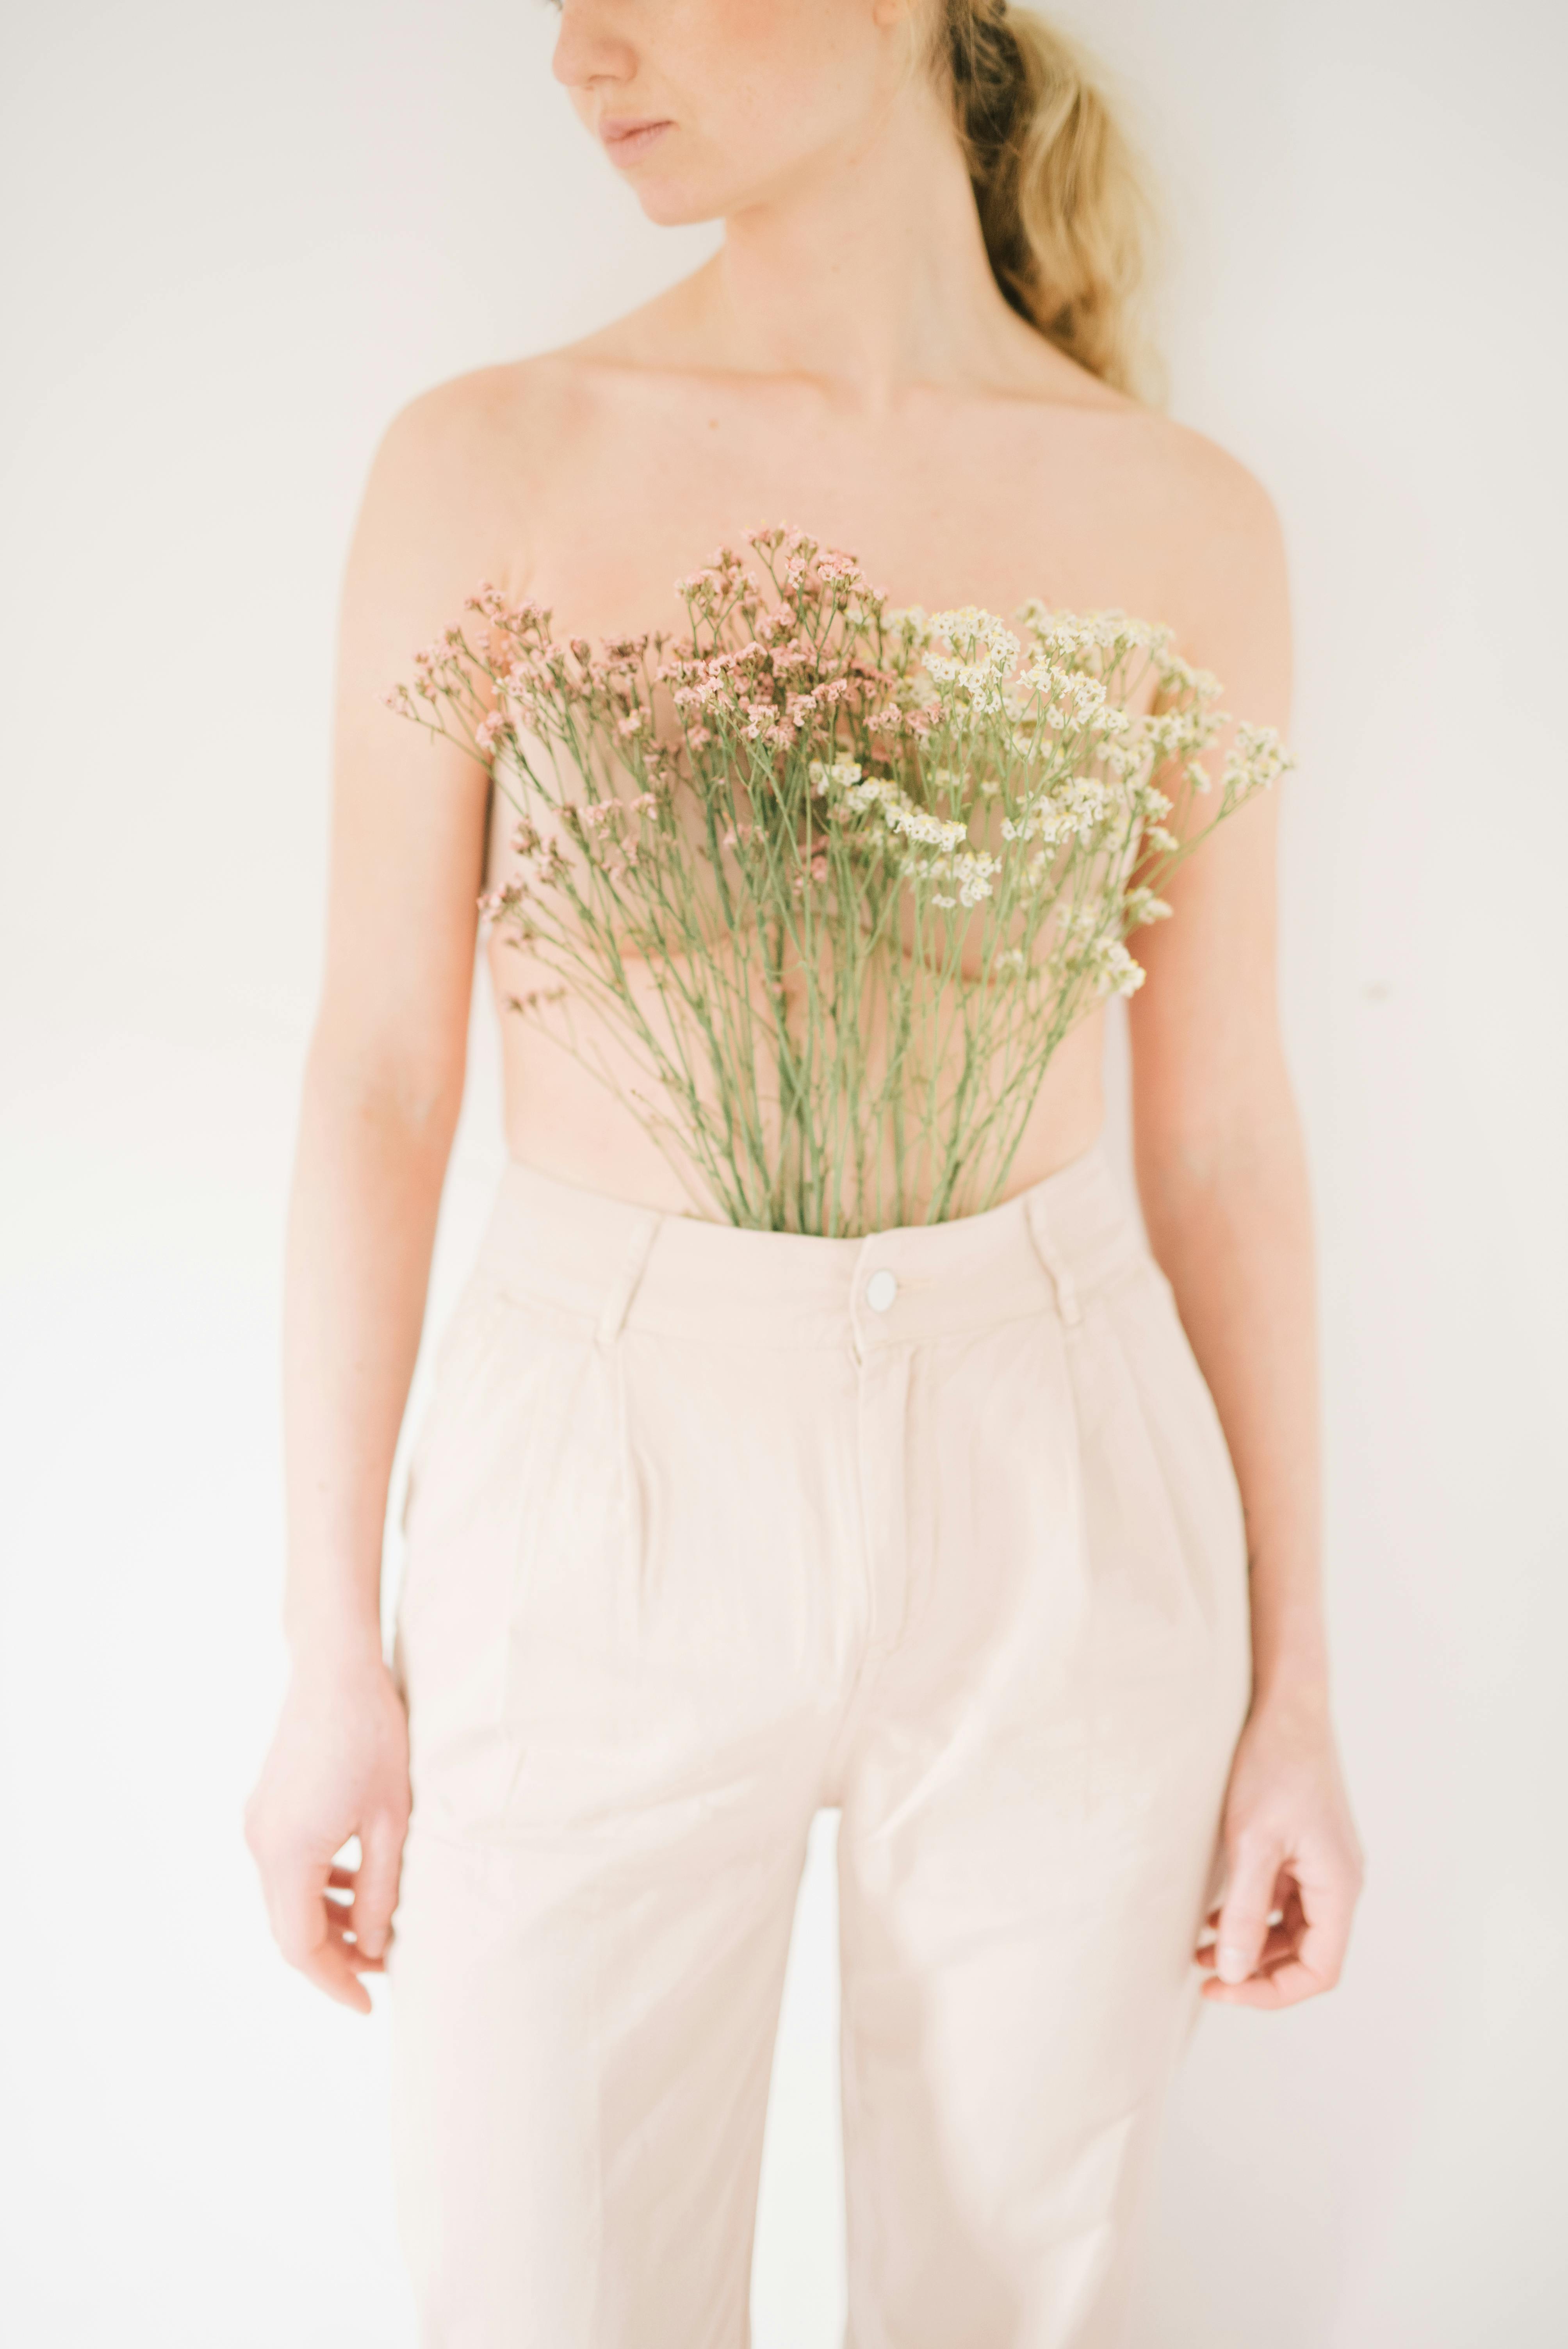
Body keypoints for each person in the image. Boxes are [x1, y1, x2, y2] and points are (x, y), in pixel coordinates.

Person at [243, 2, 1364, 2340]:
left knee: (1020, 2299)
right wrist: (328, 1658)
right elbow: (374, 1079)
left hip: (1056, 1475)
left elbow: (1231, 1132)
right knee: (541, 2290)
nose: (579, 50)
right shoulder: (492, 464)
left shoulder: (1182, 520)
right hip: (603, 1468)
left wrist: (1301, 1691)